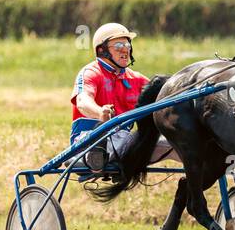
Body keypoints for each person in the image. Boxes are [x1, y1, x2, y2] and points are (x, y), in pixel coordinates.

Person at [71, 23, 173, 173]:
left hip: (124, 140)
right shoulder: (91, 72)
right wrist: (100, 113)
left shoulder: (135, 78)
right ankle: (96, 156)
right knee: (102, 138)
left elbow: (165, 94)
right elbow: (82, 101)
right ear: (102, 50)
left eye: (127, 44)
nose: (126, 49)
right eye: (119, 45)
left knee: (178, 144)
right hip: (88, 138)